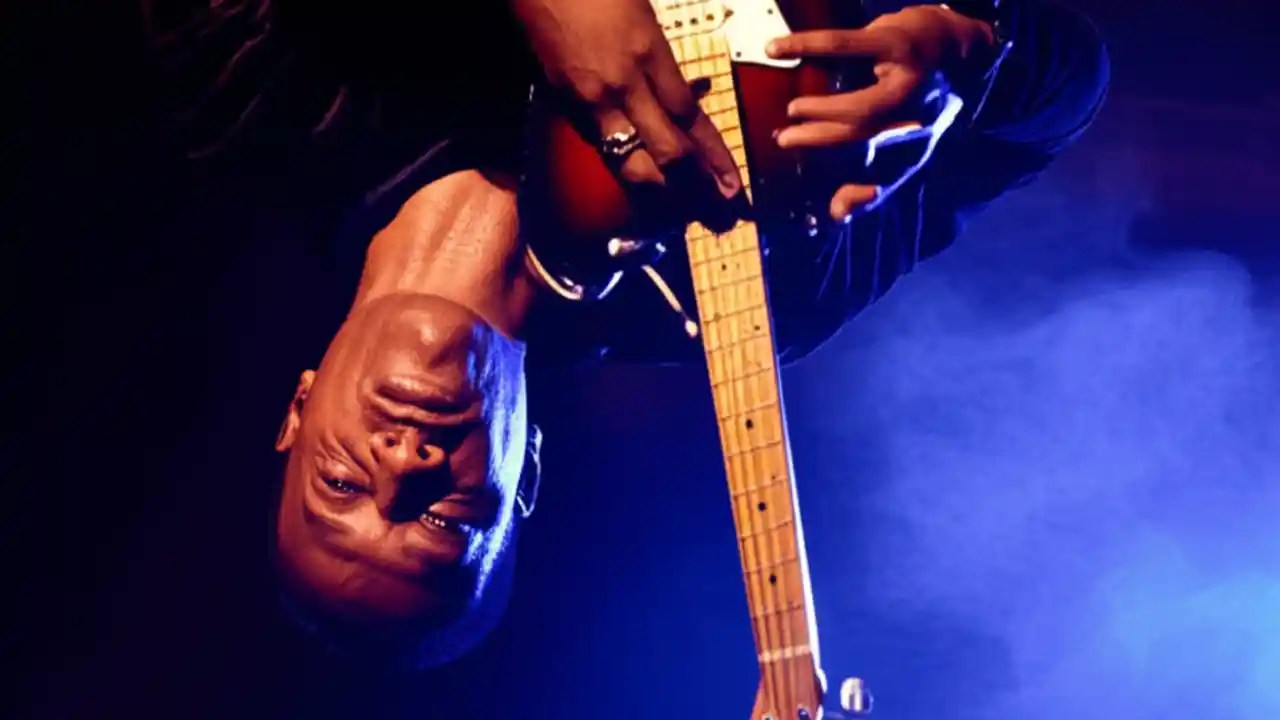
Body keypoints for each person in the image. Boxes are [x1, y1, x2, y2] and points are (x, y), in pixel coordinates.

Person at [24, 0, 1106, 673]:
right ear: (525, 472)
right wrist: (972, 49)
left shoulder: (249, 106)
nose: (404, 461)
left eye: (344, 489)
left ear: (298, 407)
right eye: (446, 514)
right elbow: (1063, 100)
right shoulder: (763, 290)